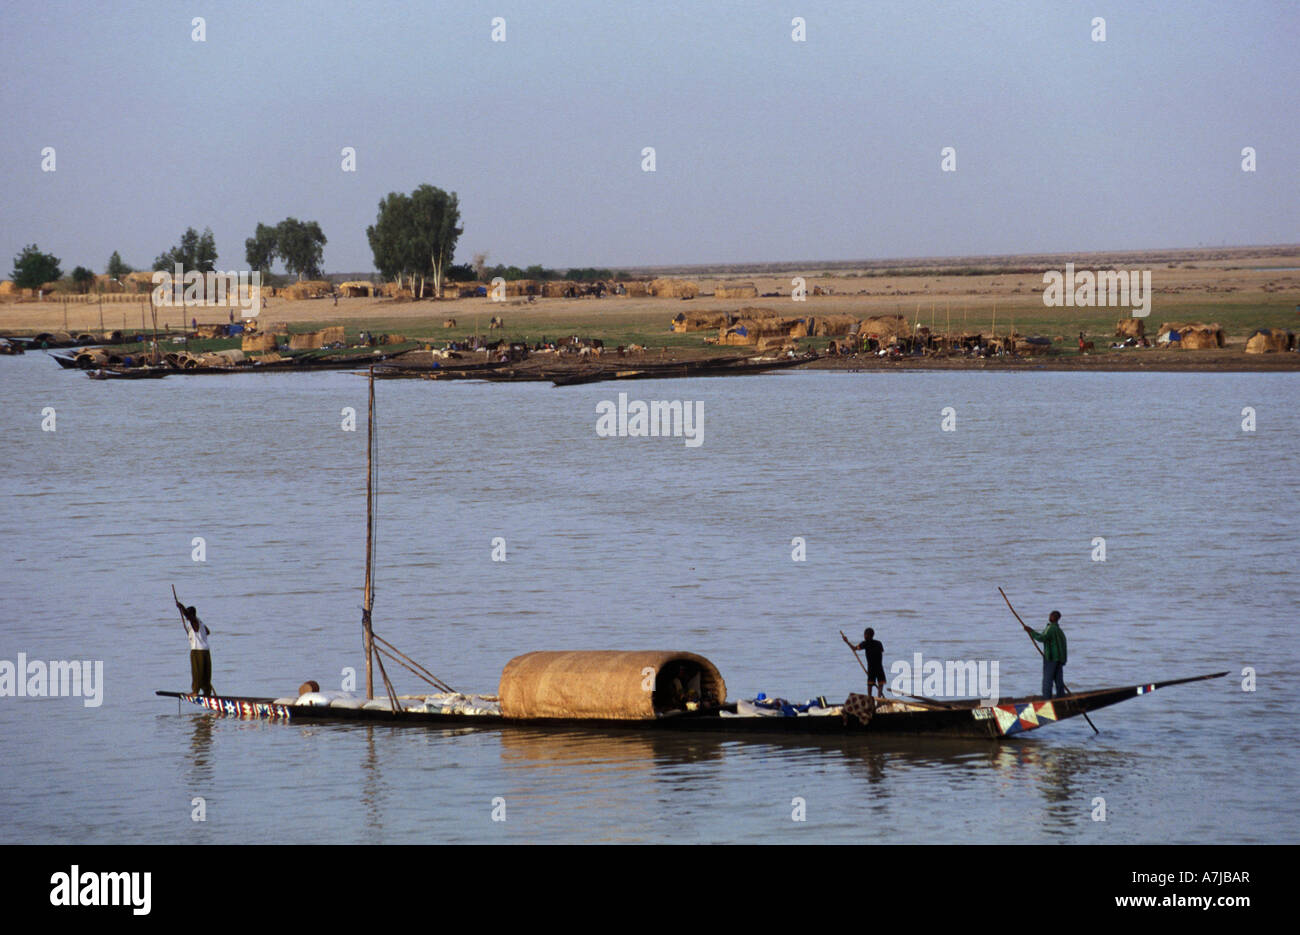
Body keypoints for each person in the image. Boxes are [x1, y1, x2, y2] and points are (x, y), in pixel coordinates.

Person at [1024, 611, 1067, 698]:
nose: (1050, 617)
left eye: (1052, 616)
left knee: (1048, 679)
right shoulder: (1059, 631)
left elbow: (1042, 638)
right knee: (1058, 679)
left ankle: (1047, 698)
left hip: (1051, 658)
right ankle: (1061, 696)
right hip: (1059, 659)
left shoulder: (1050, 628)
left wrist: (1031, 631)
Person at [177, 601, 215, 696]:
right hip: (206, 651)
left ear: (191, 615)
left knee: (197, 672)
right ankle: (207, 692)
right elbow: (207, 632)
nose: (186, 618)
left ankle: (195, 691)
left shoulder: (194, 621)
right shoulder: (200, 622)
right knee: (206, 674)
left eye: (187, 616)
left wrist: (181, 607)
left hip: (197, 651)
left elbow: (188, 616)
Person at [853, 628, 886, 697]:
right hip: (879, 666)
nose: (864, 636)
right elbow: (881, 652)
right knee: (880, 683)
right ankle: (879, 698)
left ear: (867, 635)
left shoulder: (865, 643)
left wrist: (847, 642)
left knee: (870, 684)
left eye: (865, 635)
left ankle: (870, 698)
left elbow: (854, 648)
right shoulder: (878, 643)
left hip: (871, 667)